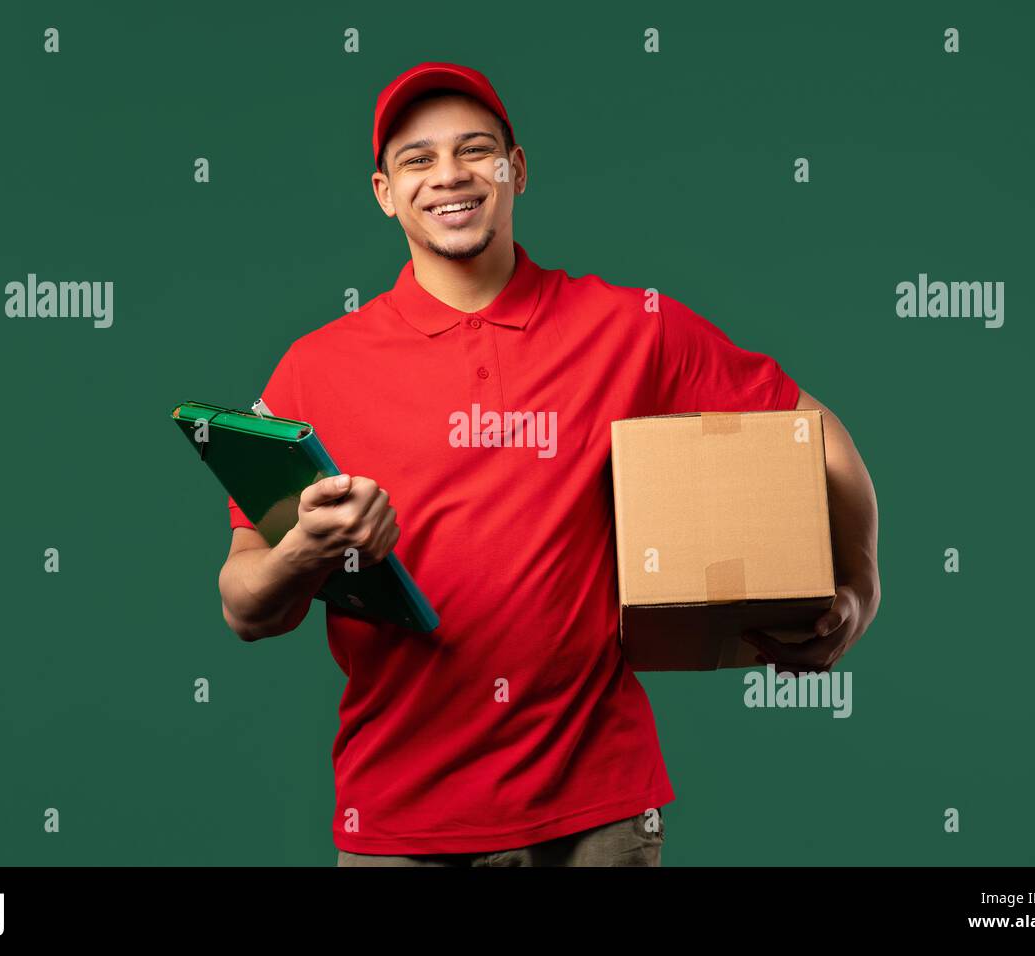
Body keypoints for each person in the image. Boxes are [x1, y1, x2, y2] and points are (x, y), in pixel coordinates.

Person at [216, 62, 881, 867]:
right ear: (385, 192)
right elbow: (247, 605)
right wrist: (306, 553)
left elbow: (813, 434)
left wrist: (859, 584)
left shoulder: (632, 327)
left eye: (476, 151)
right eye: (417, 160)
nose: (450, 175)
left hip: (598, 814)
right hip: (400, 822)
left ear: (516, 170)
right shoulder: (314, 369)